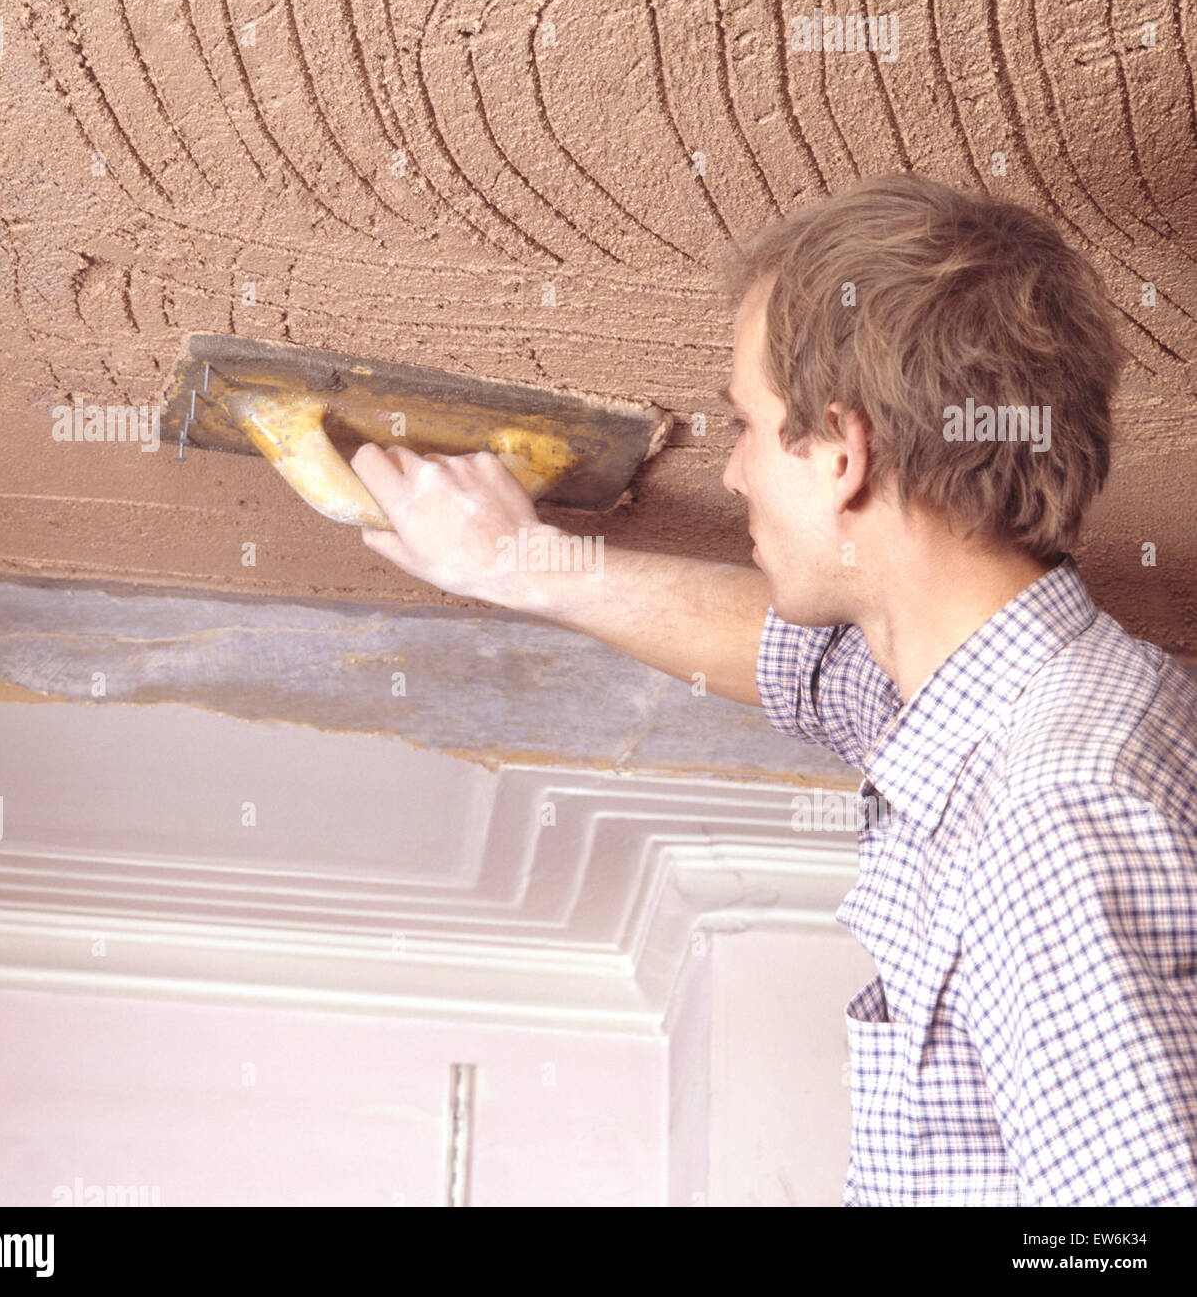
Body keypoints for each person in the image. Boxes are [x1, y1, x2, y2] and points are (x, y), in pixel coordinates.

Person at [348, 174, 1197, 1206]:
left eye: (745, 423)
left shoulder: (1049, 819)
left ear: (844, 455)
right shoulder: (1020, 699)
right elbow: (801, 663)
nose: (734, 476)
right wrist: (514, 564)